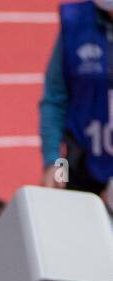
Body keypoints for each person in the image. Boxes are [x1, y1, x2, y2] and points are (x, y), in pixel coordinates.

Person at [38, 0, 113, 203]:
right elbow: (55, 100)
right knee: (67, 226)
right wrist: (53, 162)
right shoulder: (75, 24)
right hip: (80, 165)